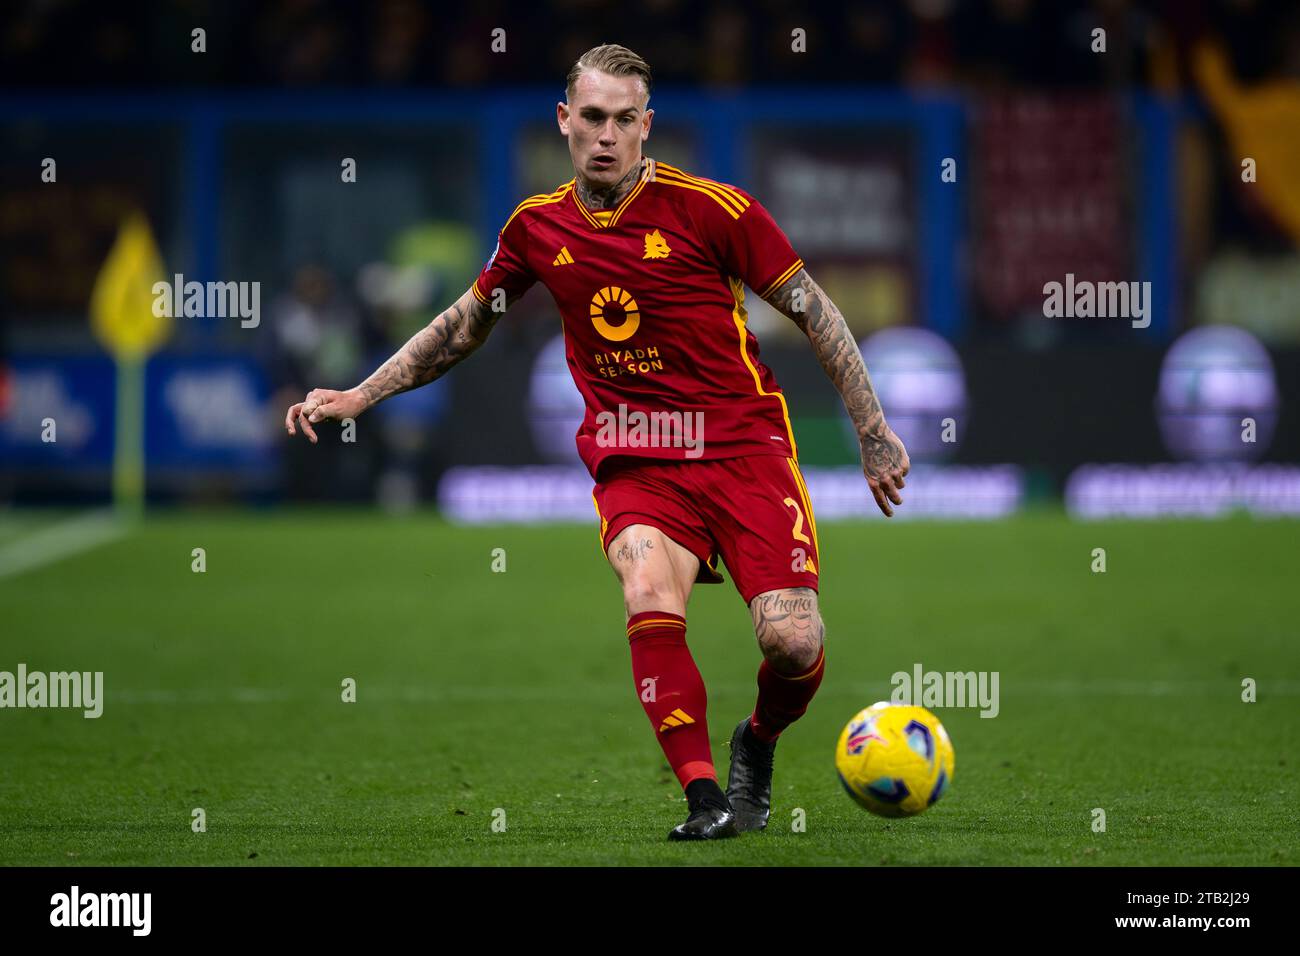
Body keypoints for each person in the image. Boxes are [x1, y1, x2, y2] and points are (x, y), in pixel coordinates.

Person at [285, 43, 910, 840]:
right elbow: (464, 326)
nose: (606, 135)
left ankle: (756, 741)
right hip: (636, 455)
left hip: (742, 447)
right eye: (591, 118)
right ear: (564, 122)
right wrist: (361, 394)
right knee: (647, 585)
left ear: (647, 127)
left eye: (623, 120)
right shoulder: (537, 230)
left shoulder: (715, 210)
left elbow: (816, 312)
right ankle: (704, 798)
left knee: (792, 642)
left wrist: (873, 431)